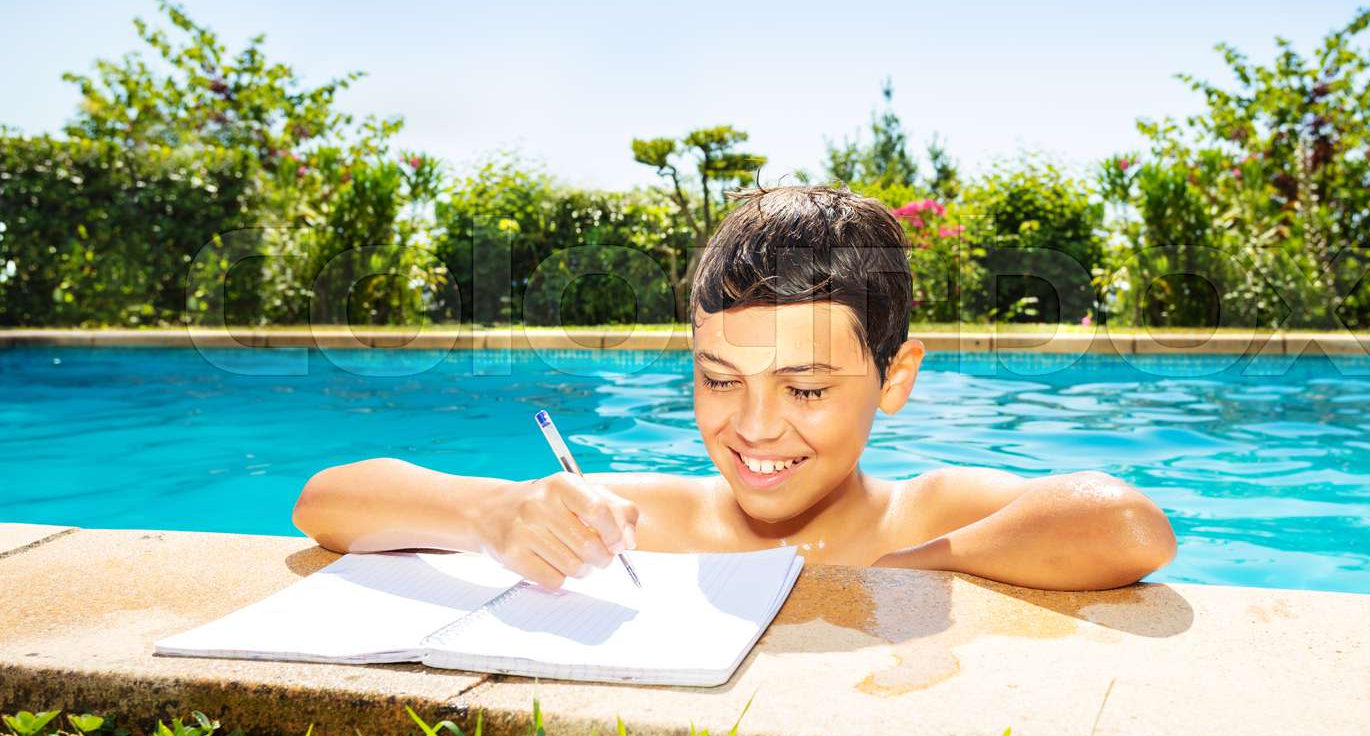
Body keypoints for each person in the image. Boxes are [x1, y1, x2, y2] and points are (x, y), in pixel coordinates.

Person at [292, 185, 1176, 591]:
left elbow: (1127, 524)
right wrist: (495, 512)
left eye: (805, 390)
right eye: (720, 379)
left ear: (894, 376)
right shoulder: (652, 518)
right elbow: (324, 502)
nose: (755, 427)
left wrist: (890, 574)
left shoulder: (928, 512)